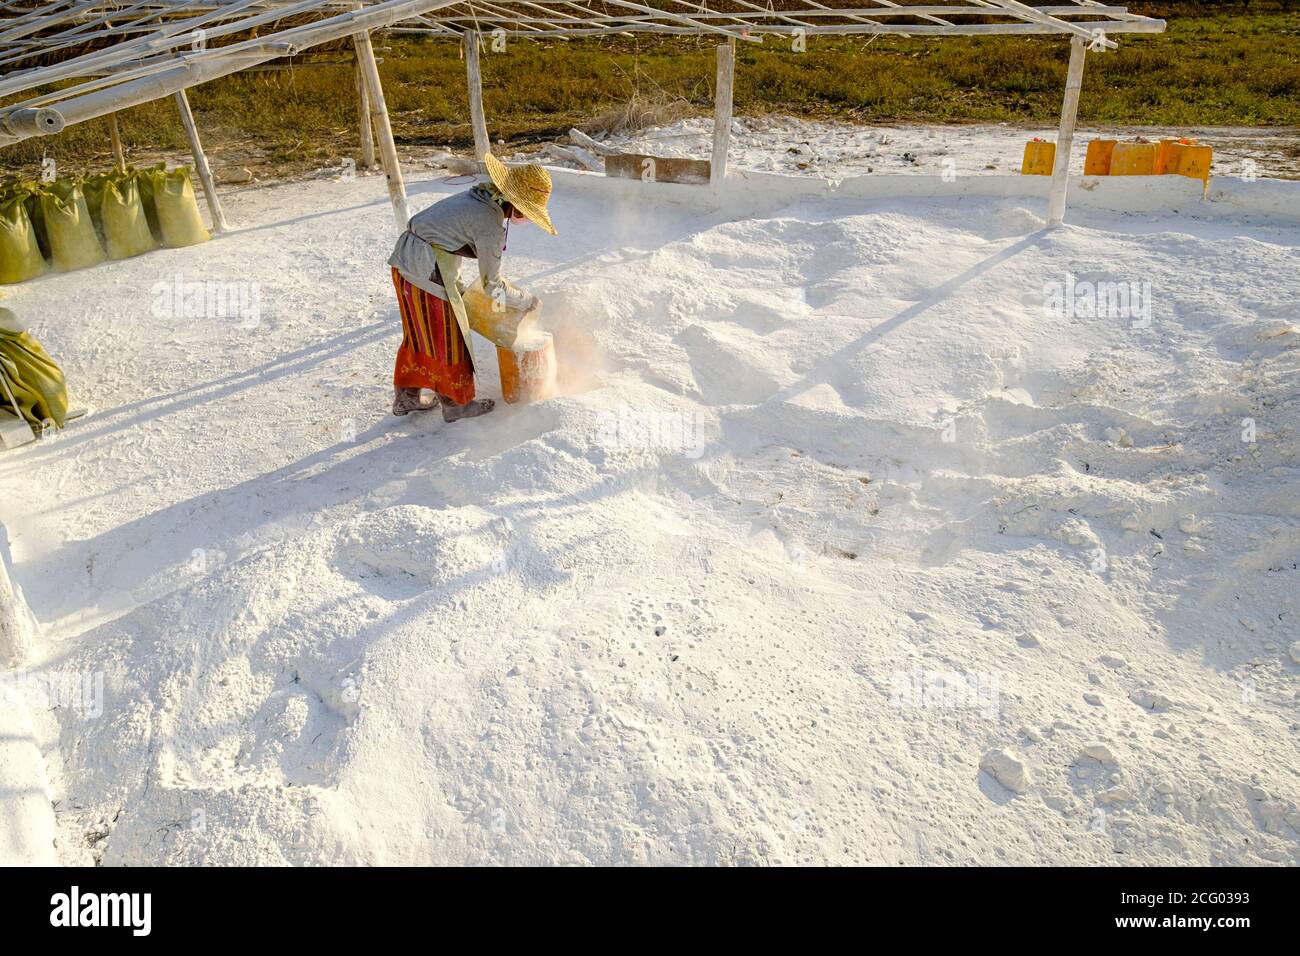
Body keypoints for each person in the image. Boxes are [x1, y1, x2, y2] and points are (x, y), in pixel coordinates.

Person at [387, 153, 557, 421]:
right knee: (451, 337)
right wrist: (527, 301)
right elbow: (493, 287)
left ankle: (406, 397)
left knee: (419, 332)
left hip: (404, 261)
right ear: (518, 206)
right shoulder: (490, 225)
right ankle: (457, 405)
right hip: (423, 269)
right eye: (528, 211)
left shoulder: (481, 195)